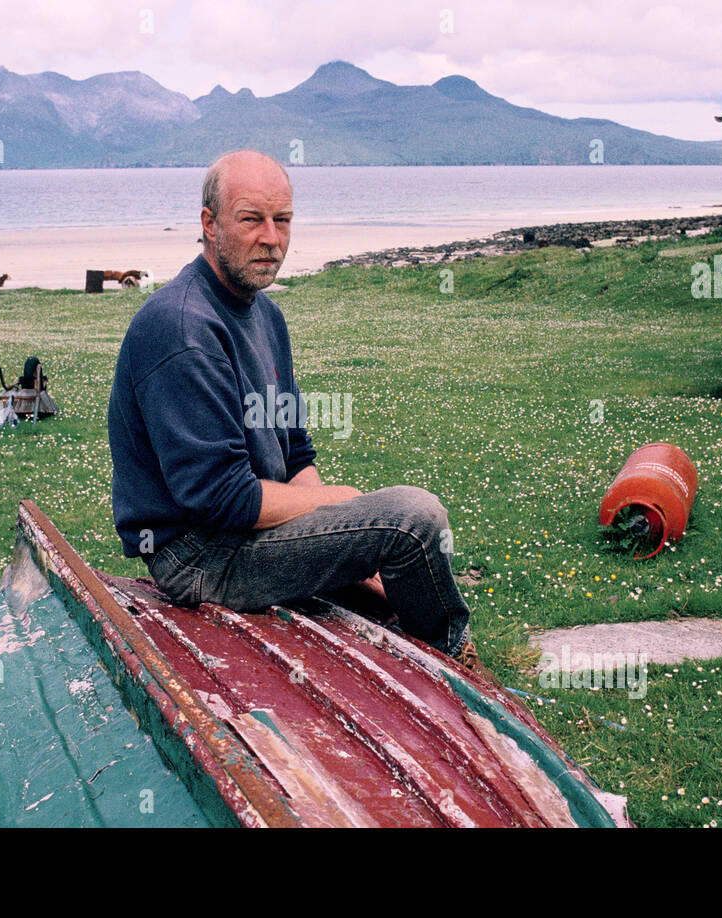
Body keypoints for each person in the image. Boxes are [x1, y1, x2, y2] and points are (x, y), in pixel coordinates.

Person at [107, 149, 488, 674]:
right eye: (251, 219)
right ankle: (455, 667)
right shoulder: (181, 327)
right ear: (209, 224)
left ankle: (420, 651)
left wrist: (347, 540)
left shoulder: (265, 314)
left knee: (389, 536)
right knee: (413, 518)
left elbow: (295, 452)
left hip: (251, 531)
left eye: (282, 220)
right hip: (200, 557)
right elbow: (221, 498)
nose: (271, 237)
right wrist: (349, 508)